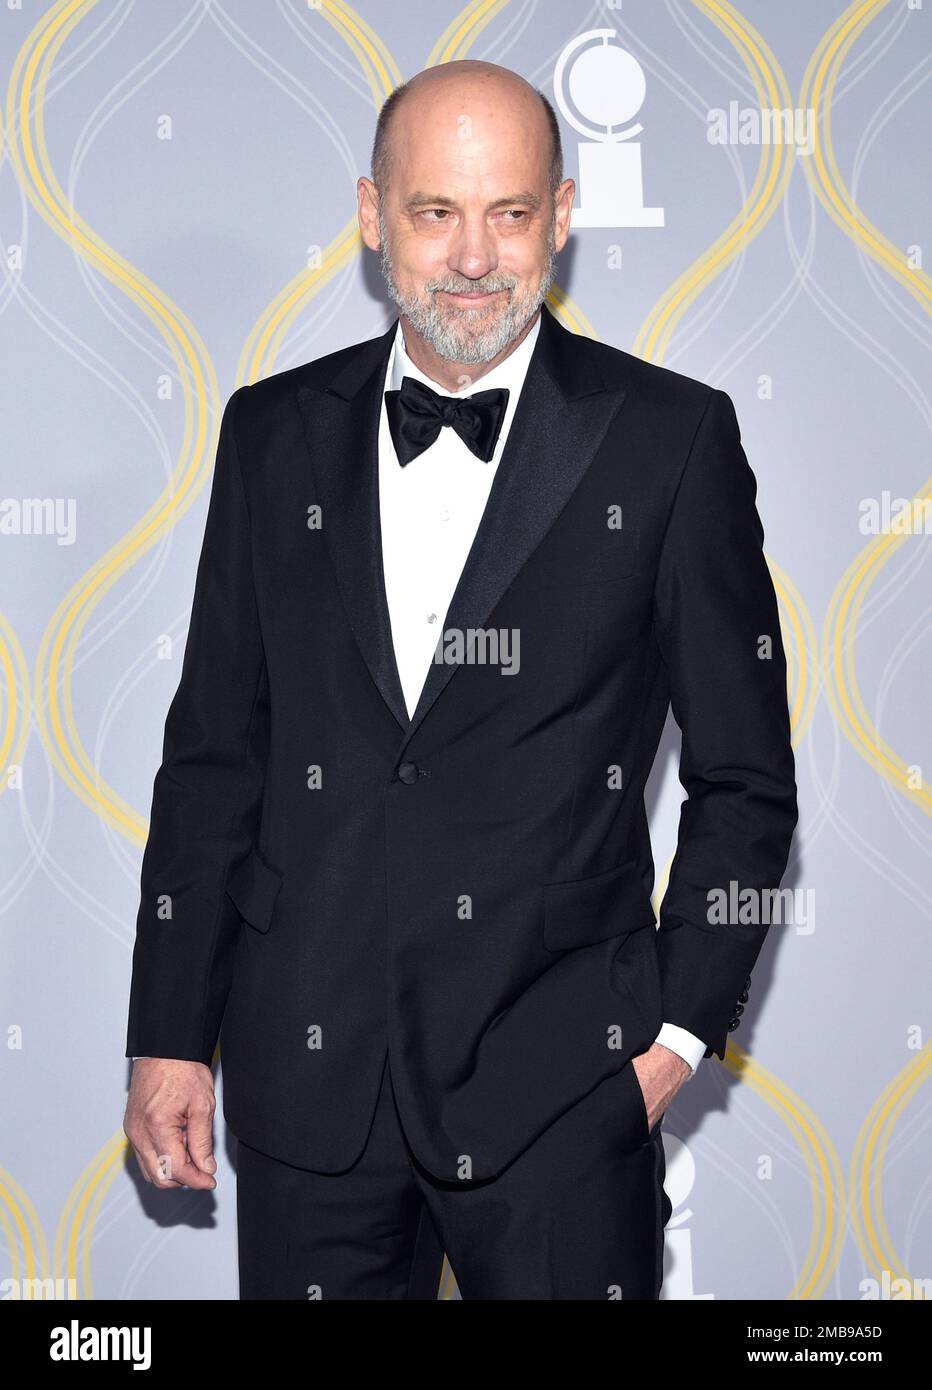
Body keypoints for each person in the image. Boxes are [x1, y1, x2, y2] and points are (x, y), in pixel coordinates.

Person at [123, 60, 797, 1300]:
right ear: (373, 217)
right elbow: (216, 752)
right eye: (436, 212)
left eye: (511, 213)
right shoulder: (269, 435)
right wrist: (170, 1032)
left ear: (562, 215)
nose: (474, 256)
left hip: (561, 1089)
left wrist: (671, 1042)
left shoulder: (668, 442)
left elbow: (746, 784)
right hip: (307, 1084)